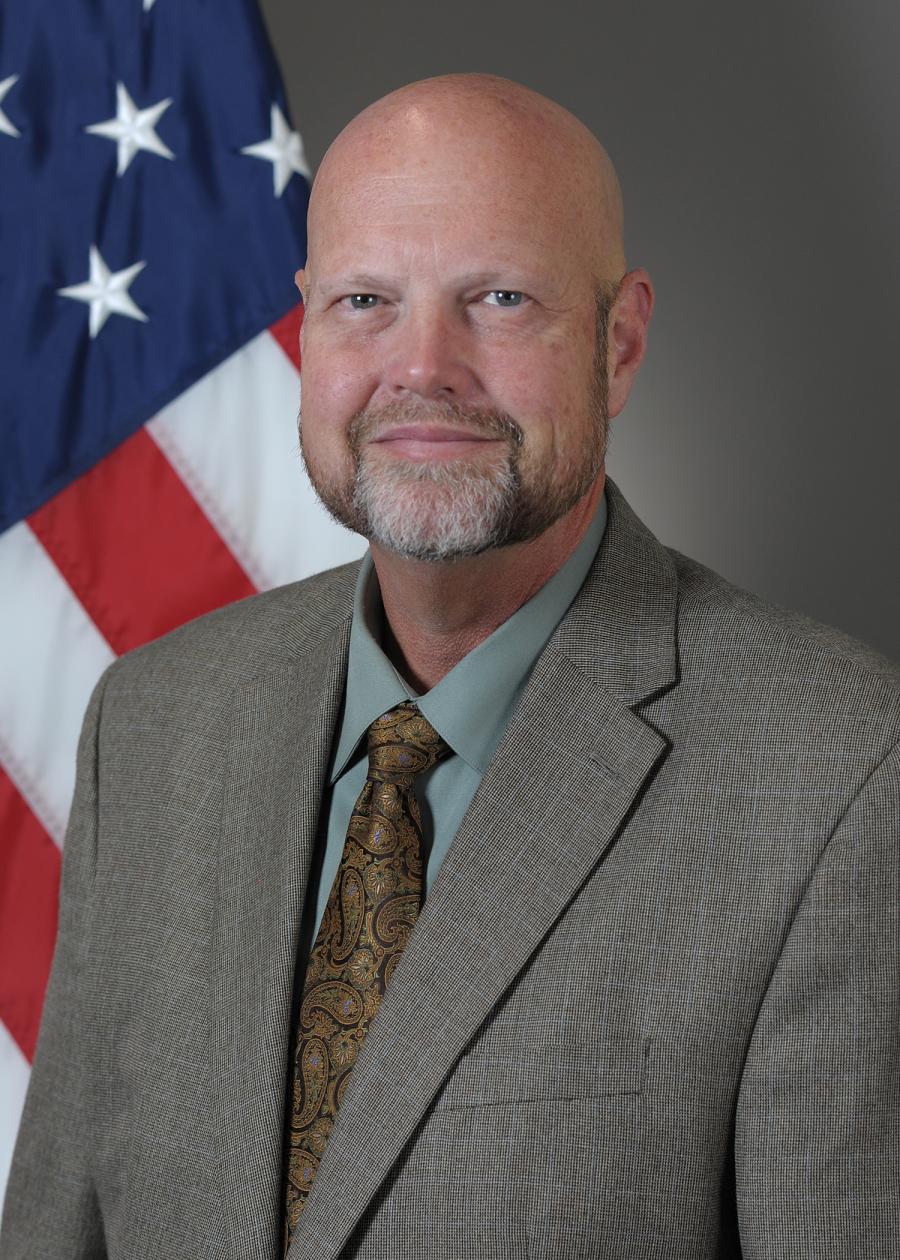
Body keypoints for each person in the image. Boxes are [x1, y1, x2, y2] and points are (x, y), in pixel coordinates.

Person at [2, 72, 898, 1260]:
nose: (422, 367)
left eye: (501, 298)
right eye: (366, 300)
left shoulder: (838, 769)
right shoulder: (154, 721)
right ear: (305, 328)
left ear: (620, 343)